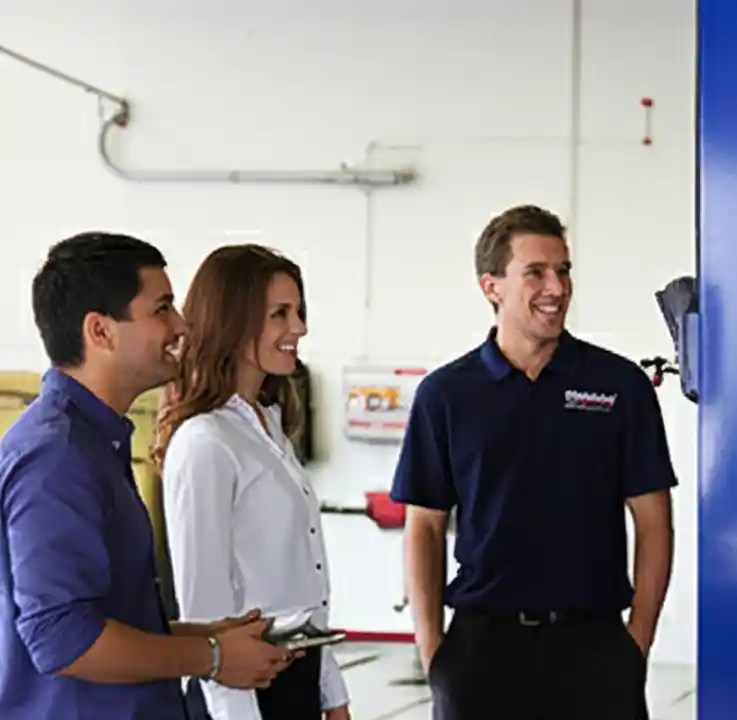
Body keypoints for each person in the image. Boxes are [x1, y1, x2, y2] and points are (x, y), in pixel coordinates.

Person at [392, 204, 678, 719]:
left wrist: (637, 640)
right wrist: (435, 653)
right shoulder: (446, 395)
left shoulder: (619, 387)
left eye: (564, 271)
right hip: (482, 651)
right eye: (536, 272)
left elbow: (655, 522)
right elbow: (425, 529)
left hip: (595, 651)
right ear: (491, 286)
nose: (557, 287)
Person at [0, 232, 295, 719]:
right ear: (101, 331)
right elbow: (63, 639)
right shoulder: (56, 457)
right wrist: (214, 658)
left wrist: (206, 636)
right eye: (161, 308)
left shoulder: (95, 443)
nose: (181, 326)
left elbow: (108, 619)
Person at [152, 244, 351, 720]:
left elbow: (303, 590)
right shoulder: (205, 441)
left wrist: (333, 693)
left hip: (295, 677)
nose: (298, 328)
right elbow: (206, 611)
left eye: (298, 312)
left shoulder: (266, 426)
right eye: (280, 314)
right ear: (232, 321)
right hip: (243, 697)